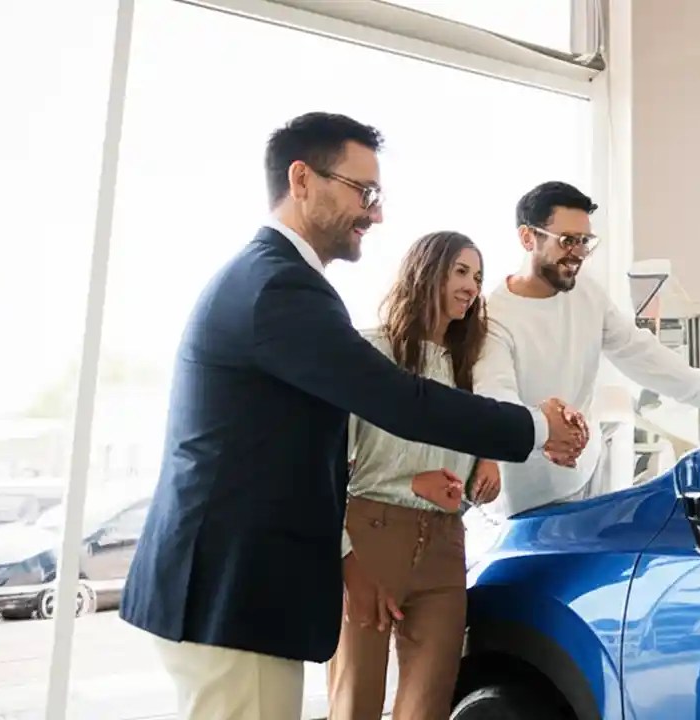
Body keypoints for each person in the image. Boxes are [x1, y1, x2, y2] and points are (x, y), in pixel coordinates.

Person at [118, 113, 587, 720]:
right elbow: (400, 402)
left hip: (233, 589)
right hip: (229, 593)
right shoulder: (279, 288)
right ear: (303, 179)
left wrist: (345, 555)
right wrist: (541, 428)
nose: (376, 212)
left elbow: (291, 452)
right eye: (364, 192)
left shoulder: (278, 281)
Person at [473, 181, 700, 518]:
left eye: (585, 242)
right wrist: (544, 431)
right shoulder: (494, 317)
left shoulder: (587, 293)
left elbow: (637, 349)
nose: (579, 253)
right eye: (567, 241)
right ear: (528, 238)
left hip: (584, 476)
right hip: (525, 498)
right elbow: (497, 401)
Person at [326, 230, 502, 719]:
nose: (472, 286)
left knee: (428, 704)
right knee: (356, 701)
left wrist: (479, 472)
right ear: (428, 271)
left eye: (479, 276)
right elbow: (331, 461)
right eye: (461, 271)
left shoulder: (470, 369)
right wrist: (406, 486)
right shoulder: (370, 351)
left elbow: (457, 477)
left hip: (447, 544)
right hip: (373, 534)